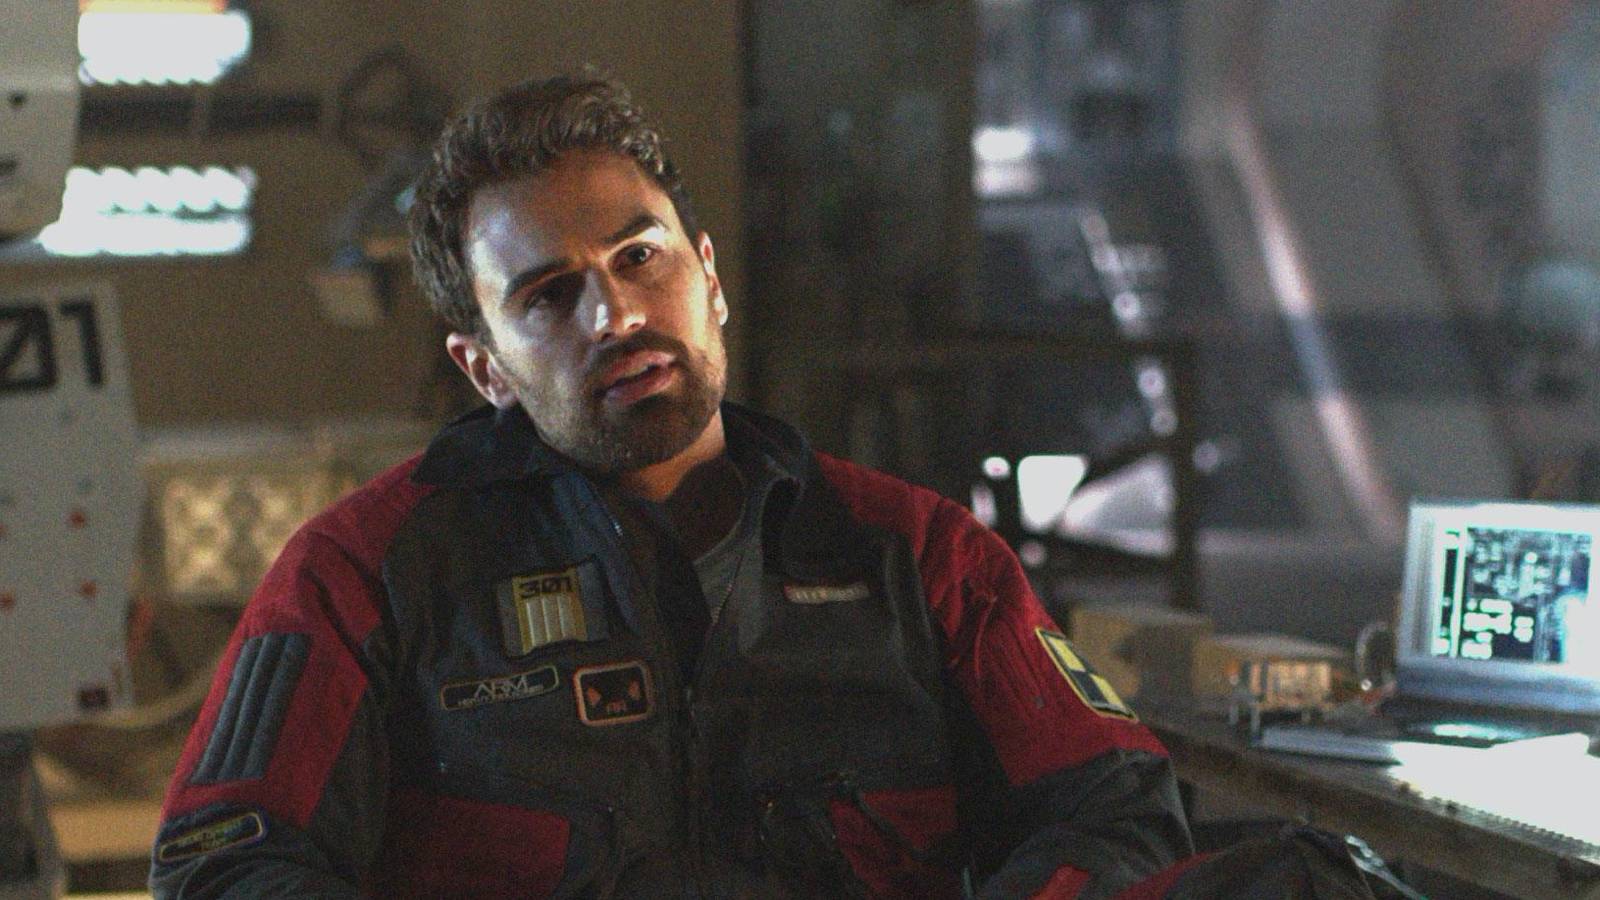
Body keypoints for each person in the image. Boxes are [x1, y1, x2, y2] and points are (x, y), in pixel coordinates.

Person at [148, 73, 1196, 898]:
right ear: (485, 370)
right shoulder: (365, 572)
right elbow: (225, 859)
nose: (616, 316)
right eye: (549, 297)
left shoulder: (920, 557)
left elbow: (1116, 815)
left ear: (710, 276)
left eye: (639, 258)